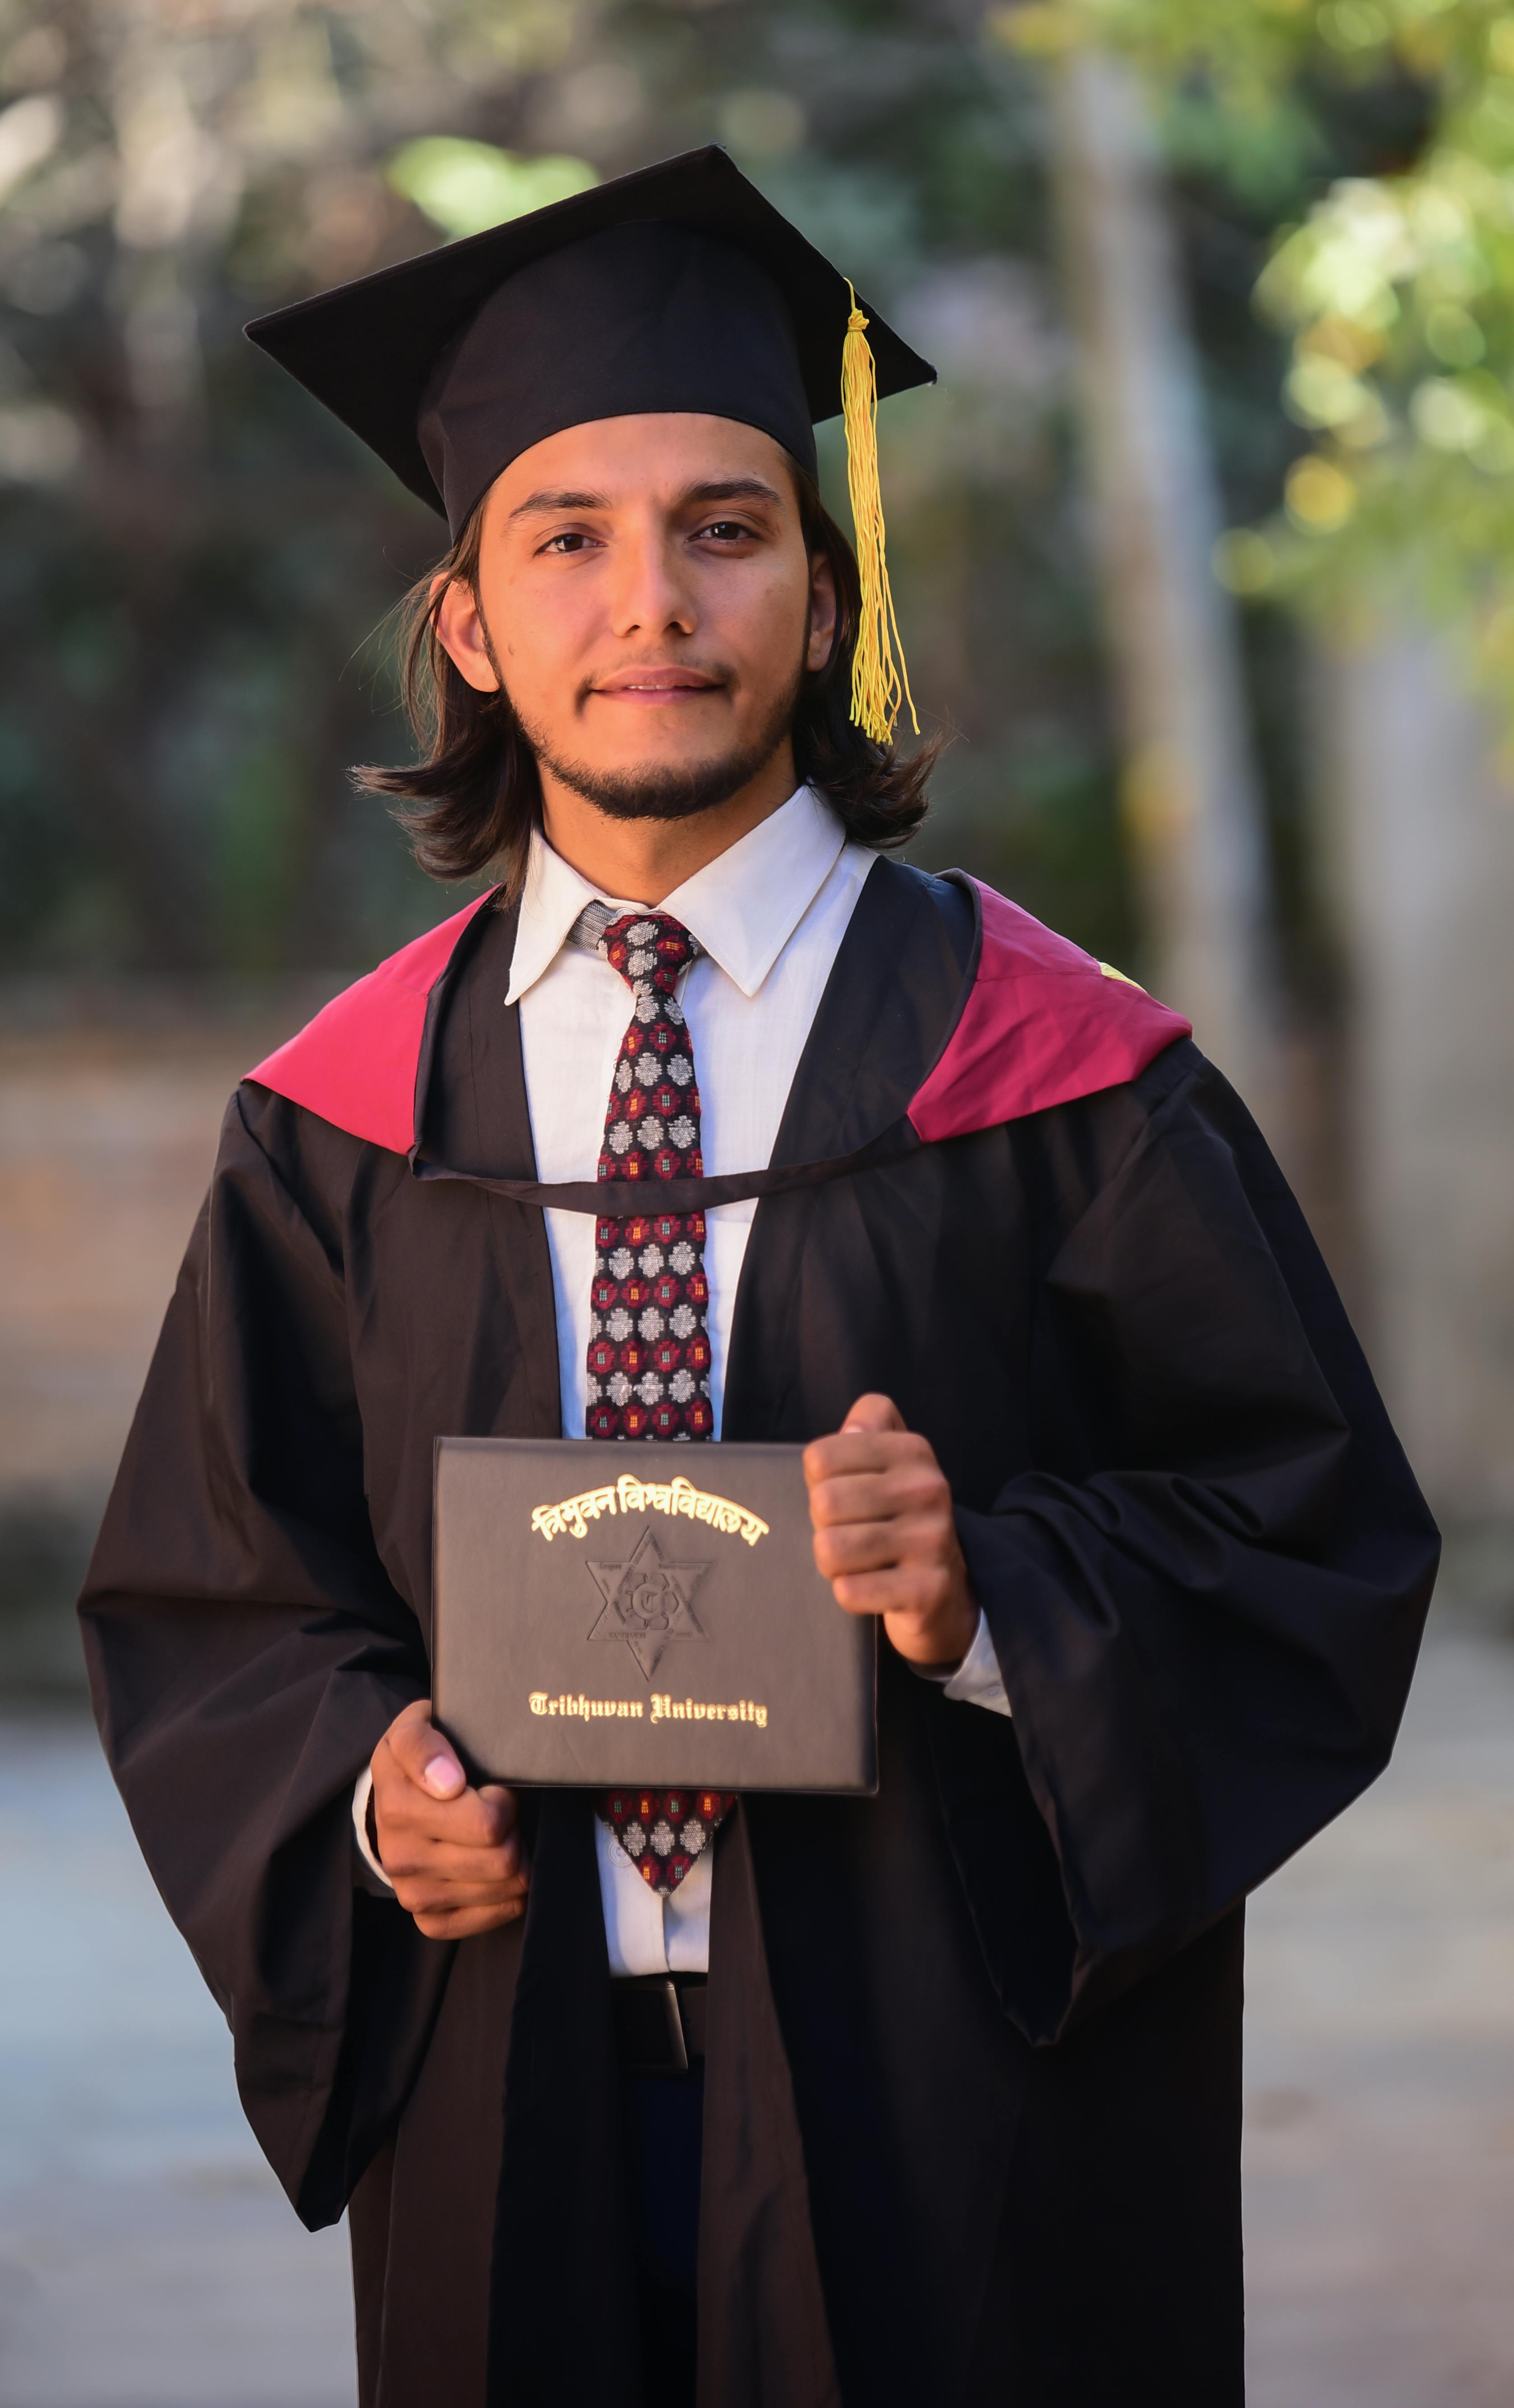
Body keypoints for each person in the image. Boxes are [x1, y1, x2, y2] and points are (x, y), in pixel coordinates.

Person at [80, 147, 1438, 2408]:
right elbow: (220, 1594)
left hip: (948, 2079)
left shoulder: (1060, 1068)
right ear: (470, 627)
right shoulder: (341, 1117)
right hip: (499, 2062)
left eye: (725, 526)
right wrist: (363, 1784)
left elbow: (1307, 1534)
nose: (652, 604)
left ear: (822, 597)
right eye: (567, 540)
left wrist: (983, 1593)